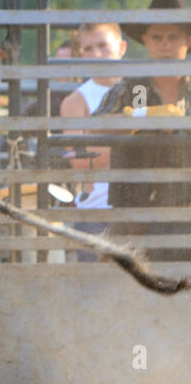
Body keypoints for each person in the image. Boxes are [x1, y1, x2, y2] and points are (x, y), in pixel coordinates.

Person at [95, 0, 191, 261]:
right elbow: (97, 126)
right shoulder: (132, 87)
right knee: (121, 291)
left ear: (188, 41)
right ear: (146, 41)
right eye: (157, 37)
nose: (166, 45)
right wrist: (142, 116)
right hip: (132, 218)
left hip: (186, 213)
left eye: (173, 37)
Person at [57, 22, 127, 259]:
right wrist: (134, 143)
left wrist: (99, 146)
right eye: (88, 48)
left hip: (138, 209)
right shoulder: (75, 101)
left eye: (103, 46)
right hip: (95, 213)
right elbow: (79, 161)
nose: (96, 54)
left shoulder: (141, 89)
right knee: (92, 289)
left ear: (122, 47)